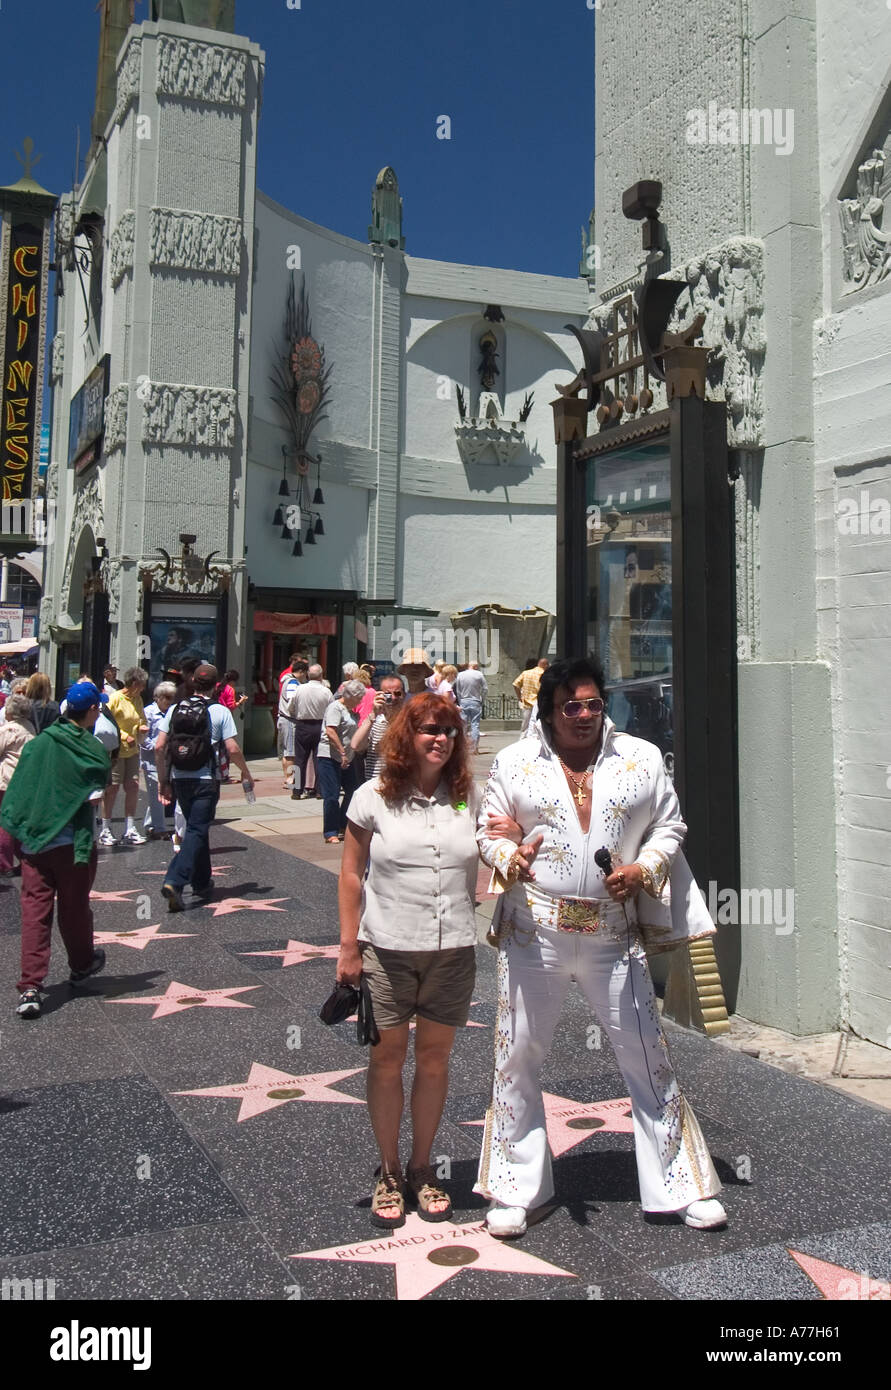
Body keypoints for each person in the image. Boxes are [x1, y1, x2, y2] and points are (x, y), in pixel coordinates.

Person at [475, 655, 726, 1238]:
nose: (584, 715)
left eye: (593, 703)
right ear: (549, 711)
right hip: (534, 932)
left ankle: (682, 1185)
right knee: (516, 1058)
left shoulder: (638, 757)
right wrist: (509, 857)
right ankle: (516, 1189)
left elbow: (671, 826)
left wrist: (642, 869)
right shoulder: (514, 763)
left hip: (613, 934)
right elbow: (487, 830)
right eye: (571, 706)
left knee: (647, 1055)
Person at [337, 693, 483, 1227]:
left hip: (453, 952)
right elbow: (351, 873)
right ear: (407, 736)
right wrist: (348, 946)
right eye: (428, 729)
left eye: (448, 731)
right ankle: (389, 1170)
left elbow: (492, 849)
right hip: (388, 948)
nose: (440, 739)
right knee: (386, 1060)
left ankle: (423, 1167)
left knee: (436, 1060)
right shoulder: (372, 797)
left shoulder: (468, 796)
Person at [2, 682, 111, 1019]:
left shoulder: (39, 743)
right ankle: (80, 965)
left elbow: (21, 788)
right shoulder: (91, 747)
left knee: (35, 912)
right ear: (92, 710)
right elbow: (97, 787)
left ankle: (31, 985)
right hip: (71, 843)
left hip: (36, 842)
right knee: (75, 908)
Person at [155, 663, 254, 912]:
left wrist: (163, 780)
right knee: (197, 831)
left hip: (180, 777)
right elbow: (232, 749)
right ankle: (175, 881)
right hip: (205, 779)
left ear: (192, 681)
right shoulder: (220, 711)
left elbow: (159, 746)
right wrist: (245, 770)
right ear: (215, 684)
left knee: (196, 830)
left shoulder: (176, 707)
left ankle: (201, 882)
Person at [101, 667, 150, 846]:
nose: (144, 688)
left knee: (133, 786)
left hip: (132, 750)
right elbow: (106, 722)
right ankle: (106, 828)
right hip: (115, 750)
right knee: (112, 788)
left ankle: (130, 828)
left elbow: (141, 719)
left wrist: (140, 728)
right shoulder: (115, 699)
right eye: (142, 684)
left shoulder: (137, 699)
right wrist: (124, 735)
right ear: (135, 683)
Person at [316, 679, 364, 844]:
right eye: (359, 698)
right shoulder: (335, 707)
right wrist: (341, 752)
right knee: (332, 795)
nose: (360, 701)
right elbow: (330, 731)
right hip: (330, 756)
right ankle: (330, 831)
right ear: (350, 696)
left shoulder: (351, 711)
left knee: (352, 791)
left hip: (348, 758)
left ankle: (343, 824)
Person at [0, 694, 35, 876]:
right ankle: (25, 858)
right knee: (19, 823)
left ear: (11, 711)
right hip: (25, 781)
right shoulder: (30, 728)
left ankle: (3, 863)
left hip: (7, 782)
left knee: (5, 824)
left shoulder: (9, 730)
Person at [350, 673, 406, 781]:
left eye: (398, 693)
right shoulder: (374, 721)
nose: (393, 698)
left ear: (404, 694)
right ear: (380, 695)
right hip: (375, 786)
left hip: (402, 785)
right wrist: (373, 713)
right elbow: (356, 745)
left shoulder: (410, 722)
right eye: (388, 694)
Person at [288, 663, 331, 800]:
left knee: (300, 759)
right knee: (319, 759)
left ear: (308, 675)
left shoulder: (300, 689)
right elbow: (332, 709)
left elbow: (290, 707)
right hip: (320, 725)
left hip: (302, 725)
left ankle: (296, 791)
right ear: (321, 675)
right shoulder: (326, 691)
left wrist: (298, 715)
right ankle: (319, 790)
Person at [140, 680, 177, 837]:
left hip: (166, 760)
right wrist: (156, 746)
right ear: (158, 697)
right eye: (167, 697)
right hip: (151, 760)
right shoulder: (148, 712)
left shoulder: (171, 713)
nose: (170, 701)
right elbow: (142, 737)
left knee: (158, 794)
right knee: (158, 794)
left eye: (172, 697)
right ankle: (159, 828)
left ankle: (150, 823)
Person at [278, 658, 308, 789]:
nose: (305, 677)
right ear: (301, 671)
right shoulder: (292, 683)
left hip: (285, 719)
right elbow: (292, 702)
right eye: (305, 673)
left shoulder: (288, 680)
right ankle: (290, 780)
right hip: (289, 720)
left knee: (288, 751)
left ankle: (288, 778)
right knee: (290, 752)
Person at [454, 660, 488, 754]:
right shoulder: (479, 674)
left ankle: (463, 748)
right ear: (476, 666)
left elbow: (458, 690)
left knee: (463, 726)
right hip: (475, 701)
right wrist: (482, 699)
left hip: (464, 701)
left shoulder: (460, 675)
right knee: (475, 725)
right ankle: (474, 748)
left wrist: (460, 701)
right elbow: (485, 688)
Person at [512, 656, 549, 734]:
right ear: (545, 665)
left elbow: (515, 684)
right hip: (539, 703)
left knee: (526, 725)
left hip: (527, 703)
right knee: (538, 724)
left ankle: (522, 740)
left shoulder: (526, 673)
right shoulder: (544, 674)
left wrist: (520, 697)